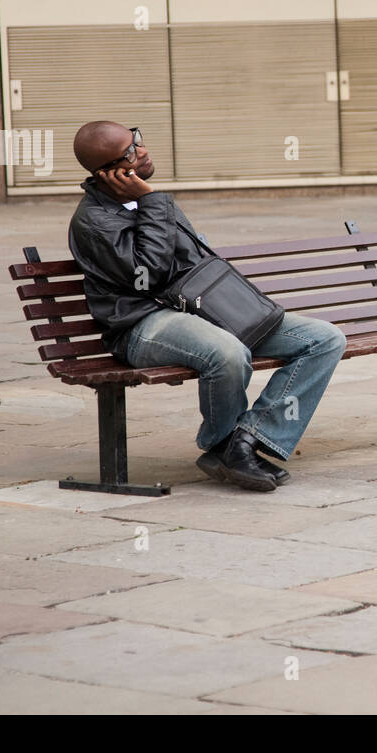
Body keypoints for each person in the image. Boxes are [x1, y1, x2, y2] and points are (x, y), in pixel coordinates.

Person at [66, 121, 346, 493]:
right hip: (142, 324)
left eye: (137, 139)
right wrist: (152, 201)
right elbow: (148, 276)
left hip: (199, 310)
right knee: (227, 352)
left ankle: (246, 440)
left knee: (324, 339)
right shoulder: (95, 221)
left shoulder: (148, 200)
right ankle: (221, 444)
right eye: (131, 152)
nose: (143, 150)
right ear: (107, 173)